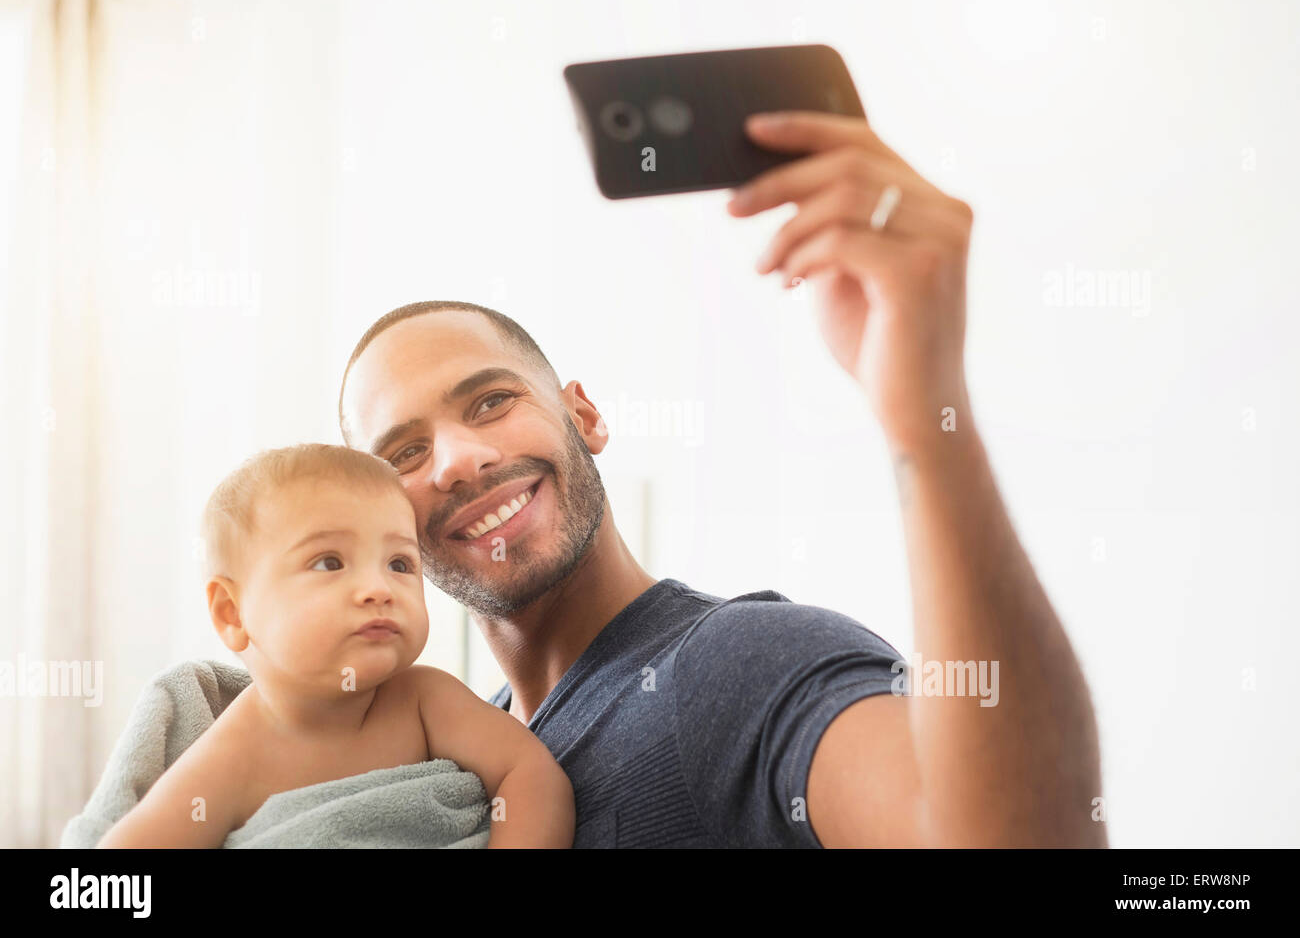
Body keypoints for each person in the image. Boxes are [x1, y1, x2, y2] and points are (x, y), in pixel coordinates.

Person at [336, 111, 1105, 848]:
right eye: (404, 452)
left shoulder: (737, 665)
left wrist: (925, 414)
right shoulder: (464, 763)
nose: (459, 459)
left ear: (585, 417)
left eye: (493, 401)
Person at [96, 444, 574, 848]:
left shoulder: (424, 699)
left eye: (400, 564)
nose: (378, 588)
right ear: (232, 613)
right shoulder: (234, 755)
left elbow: (532, 776)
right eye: (329, 563)